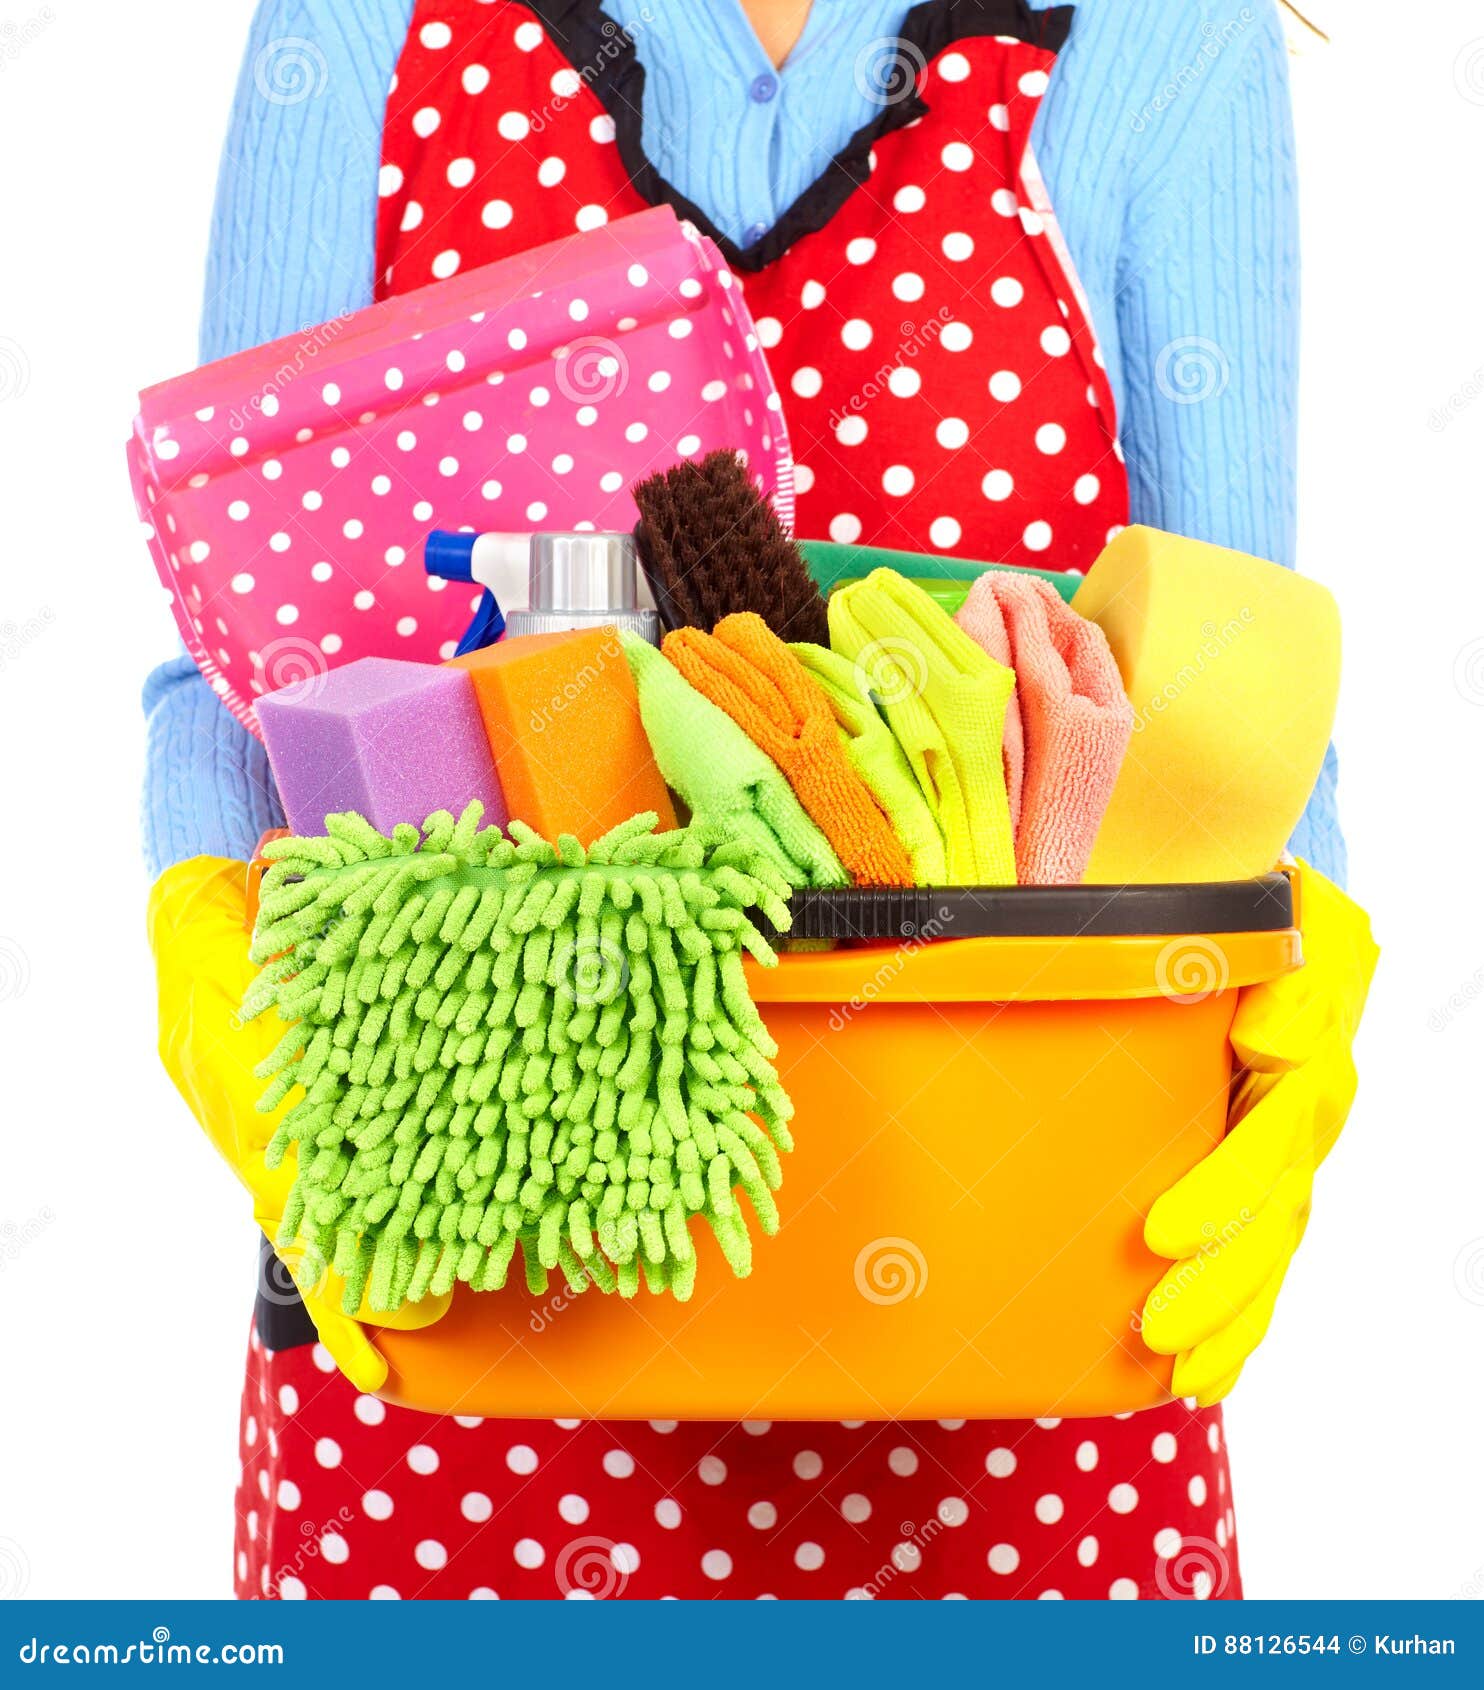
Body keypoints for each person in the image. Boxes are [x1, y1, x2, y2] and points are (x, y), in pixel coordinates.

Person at [144, 0, 1343, 1600]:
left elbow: (1240, 661)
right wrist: (205, 914)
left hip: (1025, 1357)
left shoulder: (1155, 33)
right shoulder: (363, 24)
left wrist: (1299, 940)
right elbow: (242, 646)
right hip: (464, 1325)